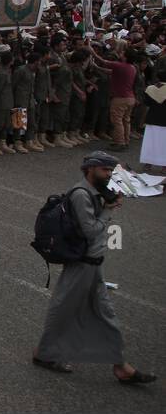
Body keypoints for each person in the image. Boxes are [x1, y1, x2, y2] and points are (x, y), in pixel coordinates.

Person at [32, 151, 156, 385]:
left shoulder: (94, 192)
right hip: (83, 264)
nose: (108, 175)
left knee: (105, 315)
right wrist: (110, 210)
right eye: (104, 170)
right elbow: (91, 230)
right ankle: (43, 354)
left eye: (110, 171)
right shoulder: (81, 194)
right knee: (63, 310)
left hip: (93, 264)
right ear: (90, 169)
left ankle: (121, 366)